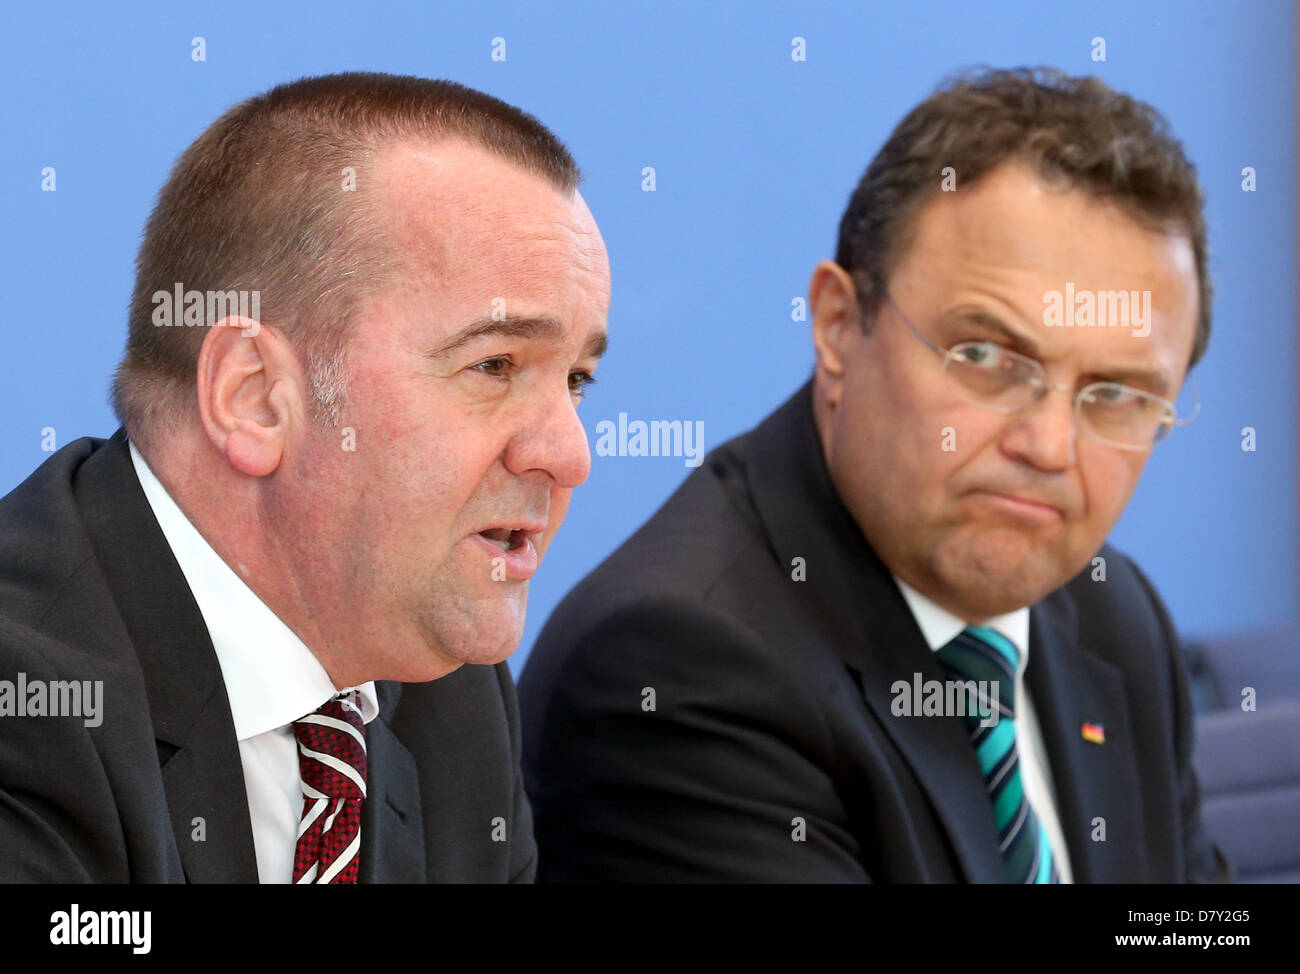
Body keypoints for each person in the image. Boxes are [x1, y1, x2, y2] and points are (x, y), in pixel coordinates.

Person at [519, 67, 1229, 883]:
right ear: (836, 326)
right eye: (988, 357)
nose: (1050, 445)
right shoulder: (677, 664)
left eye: (1118, 394)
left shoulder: (1111, 615)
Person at [0, 72, 610, 883]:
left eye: (575, 380)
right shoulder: (28, 710)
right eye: (494, 365)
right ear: (253, 396)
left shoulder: (451, 698)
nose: (568, 457)